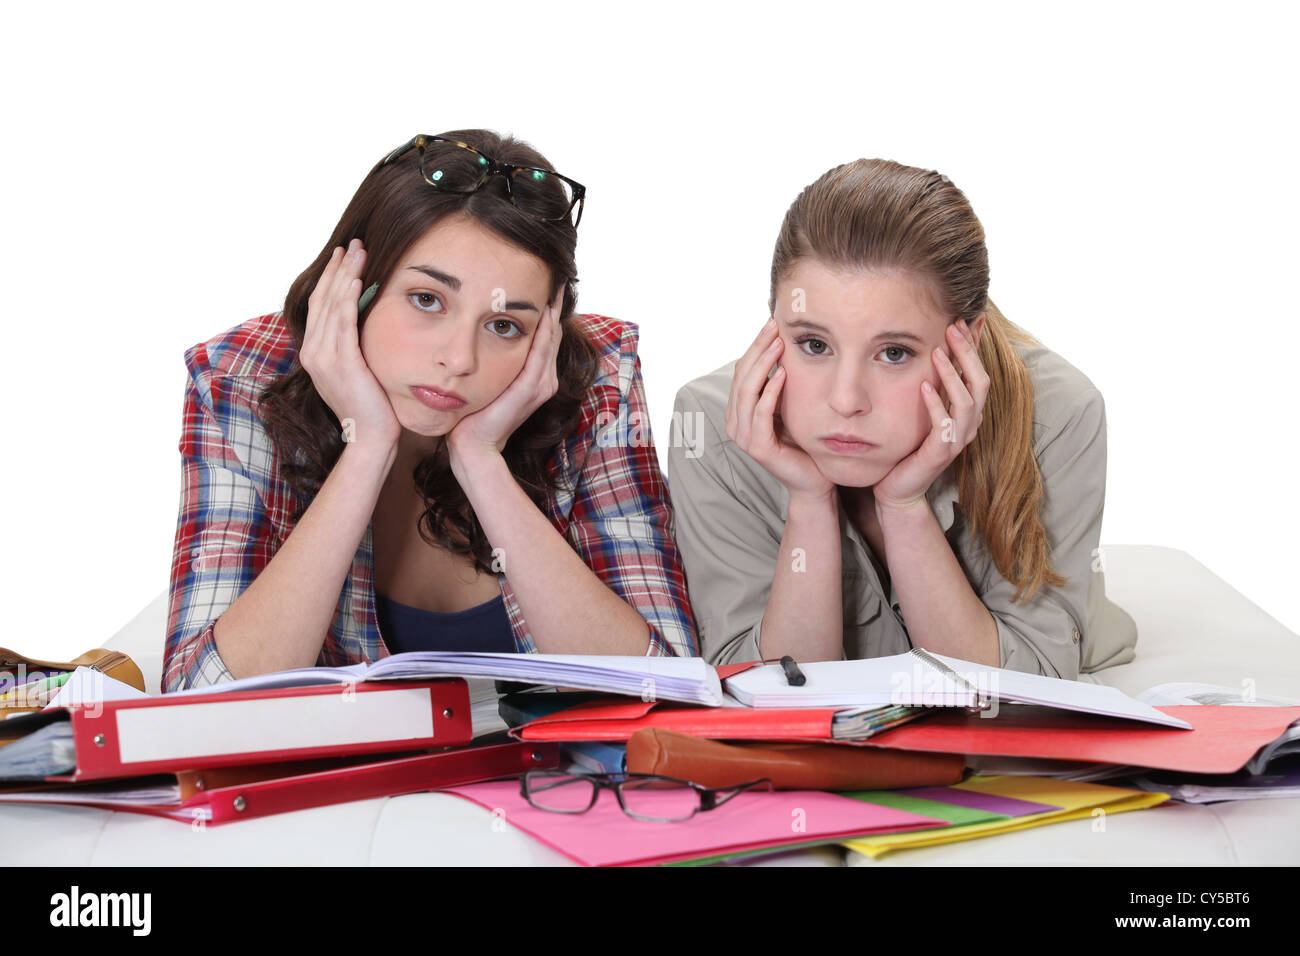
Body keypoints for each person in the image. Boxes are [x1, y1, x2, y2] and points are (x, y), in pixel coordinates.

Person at [164, 130, 698, 692]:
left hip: (554, 782)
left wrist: (480, 459)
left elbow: (667, 685)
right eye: (427, 300)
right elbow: (198, 700)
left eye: (503, 325)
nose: (459, 360)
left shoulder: (593, 382)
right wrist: (367, 446)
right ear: (355, 286)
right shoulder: (240, 379)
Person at [667, 158, 1137, 679]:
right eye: (813, 344)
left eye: (893, 353)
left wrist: (904, 505)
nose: (846, 400)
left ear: (967, 345)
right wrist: (809, 500)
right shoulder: (710, 426)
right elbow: (765, 692)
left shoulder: (1060, 415)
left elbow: (1018, 696)